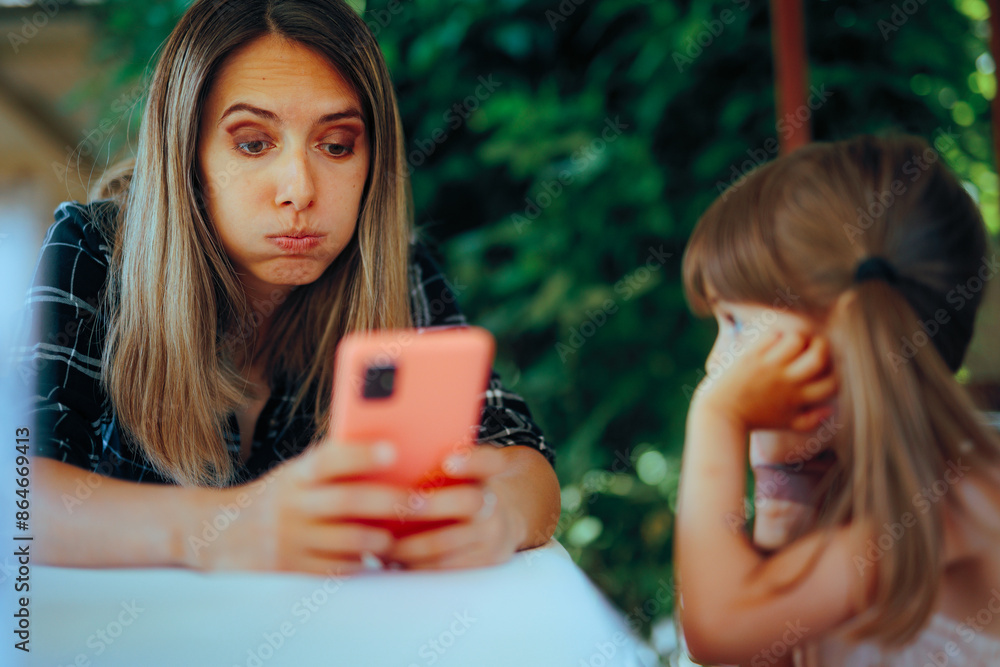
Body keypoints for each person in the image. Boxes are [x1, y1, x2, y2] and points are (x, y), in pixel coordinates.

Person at [17, 0, 560, 575]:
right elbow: (21, 493)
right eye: (253, 143)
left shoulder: (395, 272)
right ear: (188, 156)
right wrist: (219, 529)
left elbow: (523, 459)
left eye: (336, 145)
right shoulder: (94, 251)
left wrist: (494, 516)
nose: (299, 189)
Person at [674, 133, 1000, 666]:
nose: (714, 364)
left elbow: (719, 632)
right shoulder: (833, 475)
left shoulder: (964, 499)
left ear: (847, 333)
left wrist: (717, 415)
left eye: (733, 322)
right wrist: (781, 506)